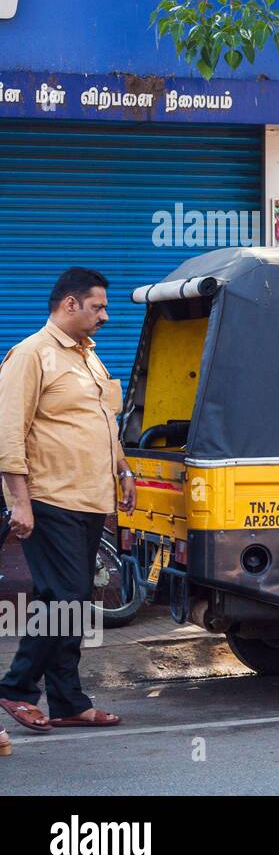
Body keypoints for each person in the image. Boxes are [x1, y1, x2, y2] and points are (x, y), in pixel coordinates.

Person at [0, 268, 134, 738]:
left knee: (66, 597)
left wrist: (122, 469)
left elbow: (102, 422)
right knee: (66, 598)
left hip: (90, 498)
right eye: (98, 306)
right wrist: (19, 500)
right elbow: (8, 433)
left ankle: (67, 701)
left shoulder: (89, 359)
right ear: (70, 304)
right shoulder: (31, 355)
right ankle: (16, 687)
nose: (106, 316)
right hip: (49, 497)